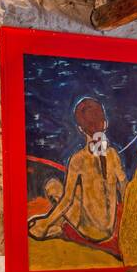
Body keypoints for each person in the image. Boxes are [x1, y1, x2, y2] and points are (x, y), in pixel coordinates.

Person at [28, 96, 126, 245]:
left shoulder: (78, 159)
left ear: (80, 129)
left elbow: (67, 200)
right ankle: (57, 225)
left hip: (92, 232)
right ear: (105, 124)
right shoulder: (113, 154)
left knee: (53, 186)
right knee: (80, 189)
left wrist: (44, 223)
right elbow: (124, 188)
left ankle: (51, 226)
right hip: (109, 229)